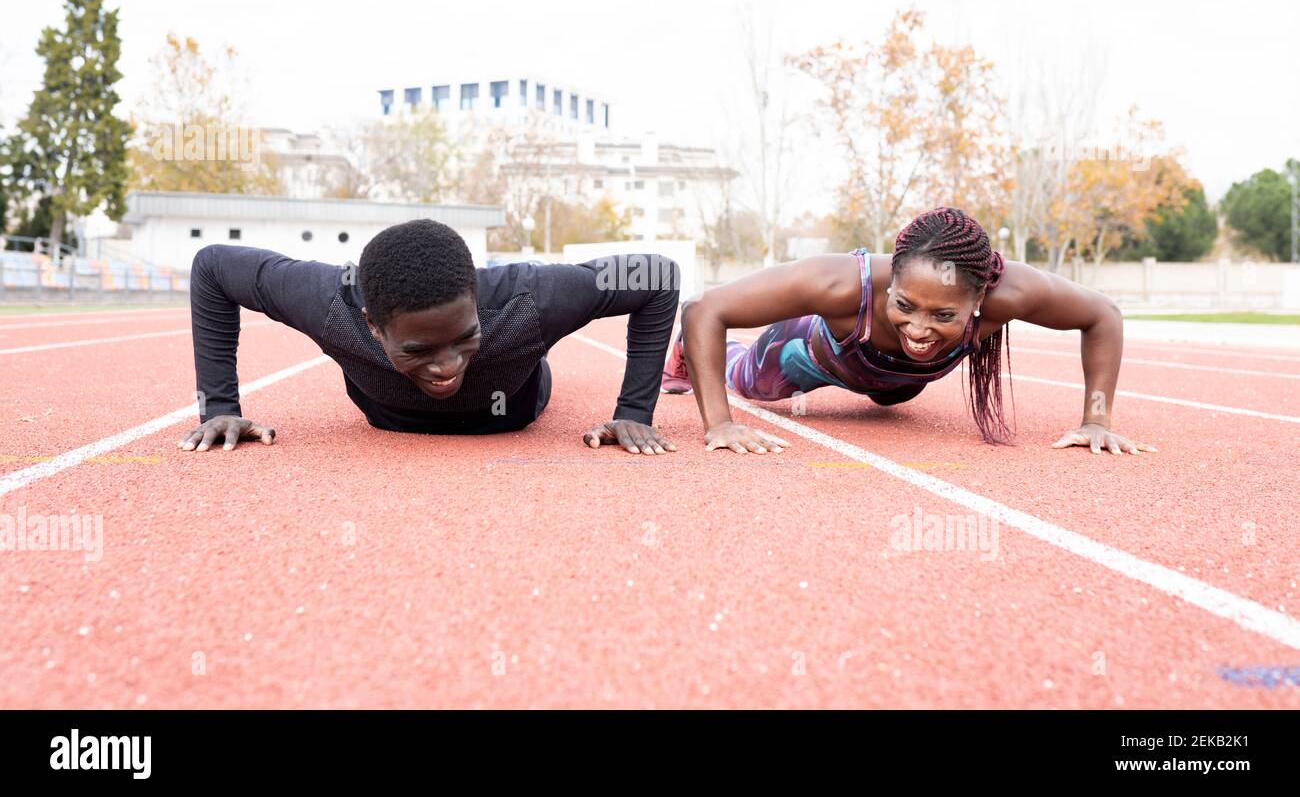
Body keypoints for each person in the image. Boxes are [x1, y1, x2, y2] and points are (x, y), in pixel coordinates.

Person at [661, 206, 1158, 456]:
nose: (919, 328)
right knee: (749, 381)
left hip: (894, 380)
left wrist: (1098, 420)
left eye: (943, 316)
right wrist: (719, 425)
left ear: (980, 299)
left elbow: (1103, 315)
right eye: (903, 305)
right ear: (889, 280)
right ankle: (692, 353)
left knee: (891, 401)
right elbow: (706, 307)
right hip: (809, 352)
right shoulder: (836, 283)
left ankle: (889, 383)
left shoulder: (1014, 293)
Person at [178, 218, 679, 454]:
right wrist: (220, 406)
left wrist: (633, 413)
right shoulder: (330, 303)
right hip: (389, 412)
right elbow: (213, 267)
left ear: (477, 294)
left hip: (515, 403)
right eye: (418, 349)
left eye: (463, 337)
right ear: (372, 324)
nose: (446, 366)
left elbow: (658, 276)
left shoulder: (529, 298)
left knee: (519, 351)